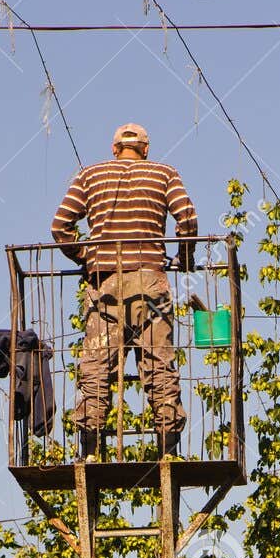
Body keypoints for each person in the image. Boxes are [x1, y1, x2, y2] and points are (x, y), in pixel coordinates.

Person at [51, 123, 198, 462]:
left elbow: (60, 226)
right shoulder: (164, 173)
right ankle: (167, 449)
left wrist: (88, 256)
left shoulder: (90, 175)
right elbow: (187, 219)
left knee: (97, 364)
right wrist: (185, 259)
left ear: (114, 149)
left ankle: (89, 450)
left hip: (106, 284)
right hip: (150, 280)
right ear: (145, 149)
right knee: (158, 361)